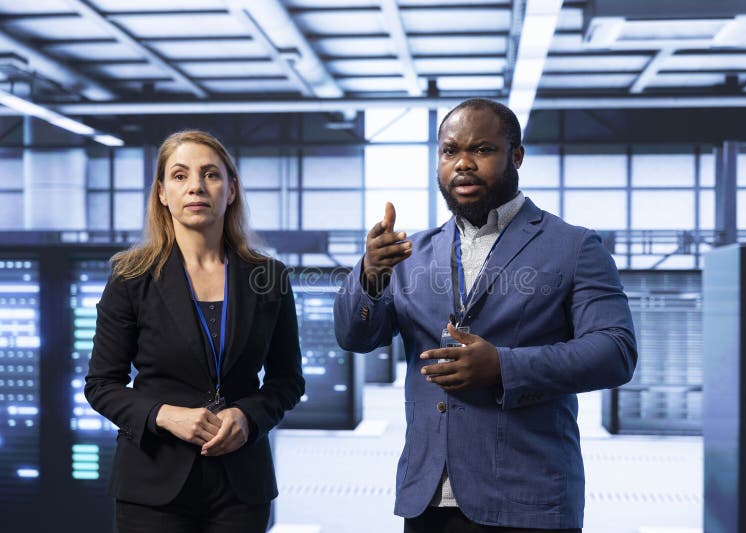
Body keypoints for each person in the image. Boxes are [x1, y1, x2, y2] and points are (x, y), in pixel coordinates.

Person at [334, 99, 637, 532]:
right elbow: (354, 336)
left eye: (481, 150)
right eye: (449, 151)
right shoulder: (410, 254)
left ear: (516, 156)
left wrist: (503, 366)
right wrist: (369, 275)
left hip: (529, 500)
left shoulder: (574, 247)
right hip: (429, 500)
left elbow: (616, 352)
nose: (462, 164)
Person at [85, 130, 304, 532]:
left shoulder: (269, 277)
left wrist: (248, 416)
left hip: (241, 485)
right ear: (162, 193)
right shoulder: (131, 278)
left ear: (232, 190)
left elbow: (288, 380)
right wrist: (164, 415)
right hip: (152, 484)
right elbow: (101, 385)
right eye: (180, 176)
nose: (196, 187)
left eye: (210, 175)